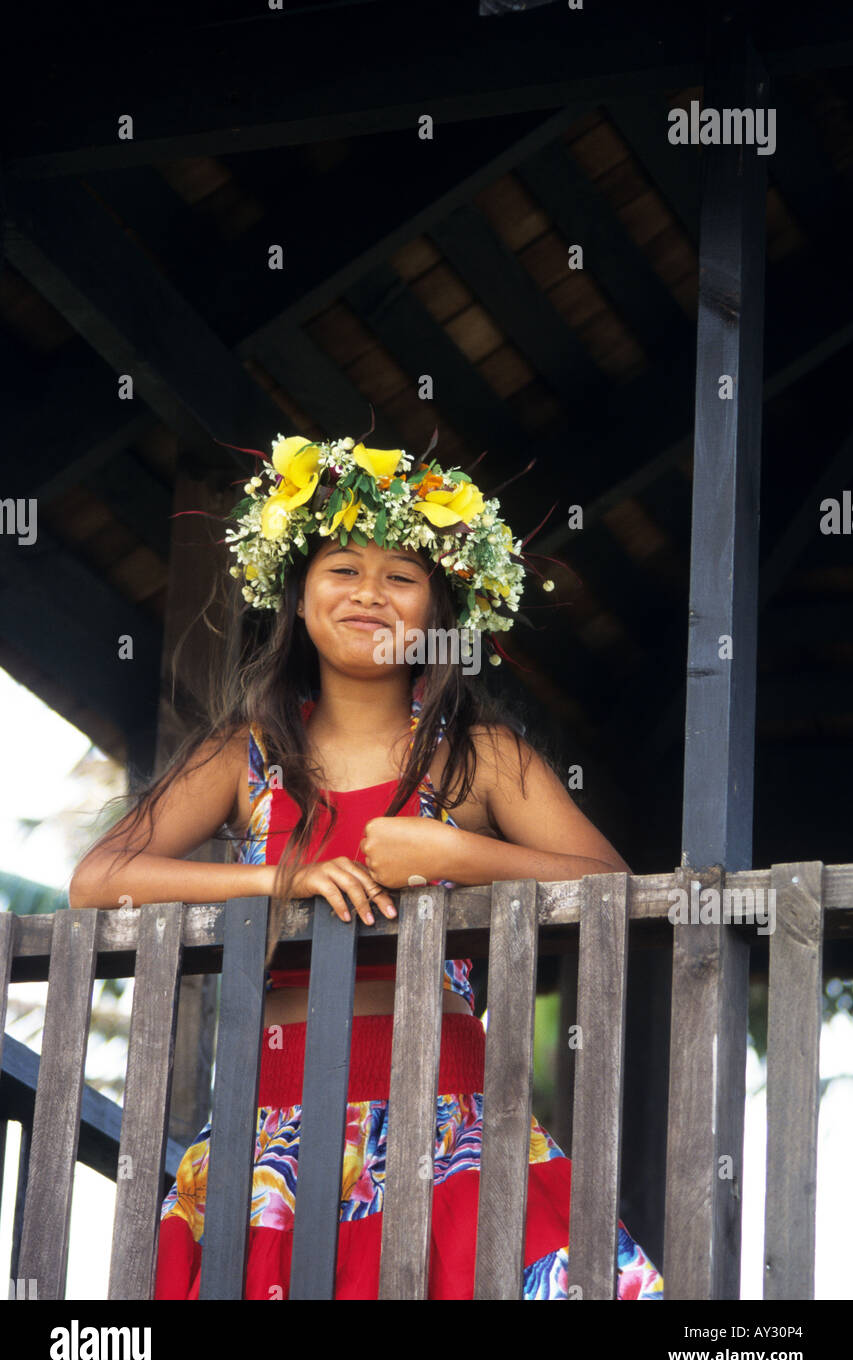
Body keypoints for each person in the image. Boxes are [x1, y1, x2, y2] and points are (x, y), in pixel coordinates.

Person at [69, 431, 663, 1300]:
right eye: (342, 567)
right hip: (269, 1120)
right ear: (298, 595)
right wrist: (279, 878)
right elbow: (98, 879)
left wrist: (457, 850)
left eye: (402, 576)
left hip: (450, 1110)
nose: (369, 594)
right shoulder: (246, 754)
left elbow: (617, 893)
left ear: (437, 610)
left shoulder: (480, 756)